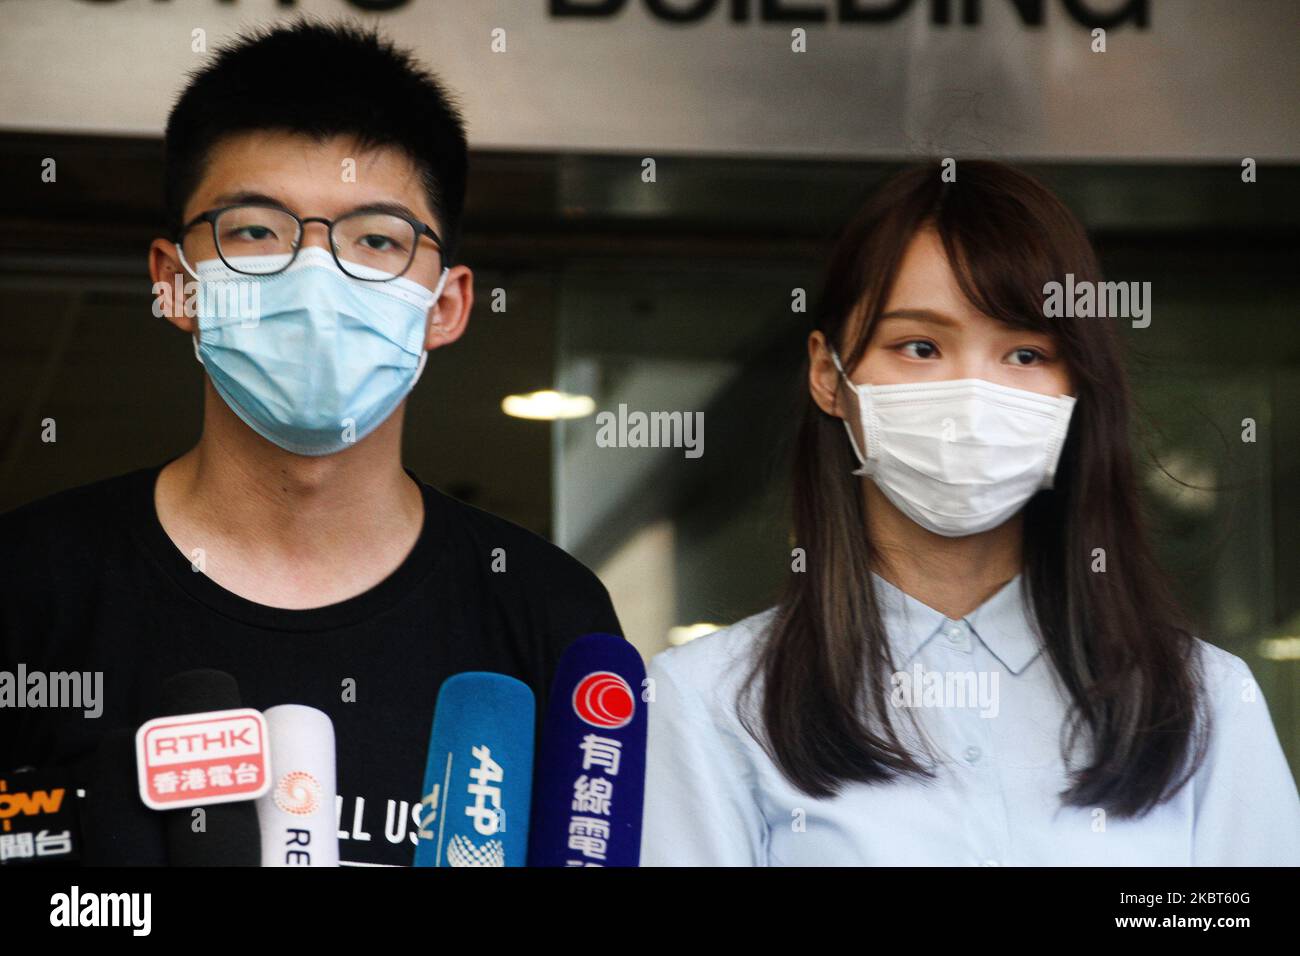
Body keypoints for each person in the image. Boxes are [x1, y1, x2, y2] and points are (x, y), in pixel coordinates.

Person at [0, 21, 620, 867]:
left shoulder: (547, 614)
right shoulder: (31, 586)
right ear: (174, 285)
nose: (316, 278)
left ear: (447, 304)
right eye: (256, 231)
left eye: (377, 239)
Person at [641, 162, 1300, 866]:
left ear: (1076, 383)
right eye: (919, 347)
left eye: (1025, 352)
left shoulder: (1201, 698)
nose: (972, 396)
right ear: (830, 376)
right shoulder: (712, 700)